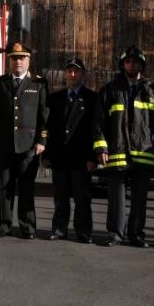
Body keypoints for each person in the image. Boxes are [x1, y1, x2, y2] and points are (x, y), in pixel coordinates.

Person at [93, 45, 154, 248]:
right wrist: (101, 148)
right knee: (116, 199)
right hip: (118, 152)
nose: (131, 64)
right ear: (123, 64)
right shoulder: (110, 90)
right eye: (128, 61)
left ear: (142, 64)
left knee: (140, 200)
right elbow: (99, 122)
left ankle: (136, 235)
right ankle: (115, 234)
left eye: (135, 61)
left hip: (143, 153)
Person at [0, 42, 48, 240]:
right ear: (9, 61)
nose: (18, 62)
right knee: (5, 187)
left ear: (28, 60)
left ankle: (27, 227)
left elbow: (44, 115)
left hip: (28, 145)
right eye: (14, 58)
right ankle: (4, 226)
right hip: (5, 145)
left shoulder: (39, 84)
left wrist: (41, 140)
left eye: (22, 58)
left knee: (26, 188)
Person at [44, 57, 97, 243]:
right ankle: (59, 229)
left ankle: (83, 231)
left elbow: (95, 130)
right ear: (65, 74)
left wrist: (93, 157)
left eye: (76, 71)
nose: (72, 74)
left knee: (82, 199)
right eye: (69, 71)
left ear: (82, 74)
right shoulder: (55, 99)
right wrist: (47, 154)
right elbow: (49, 128)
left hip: (81, 158)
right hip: (60, 157)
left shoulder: (92, 99)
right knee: (60, 198)